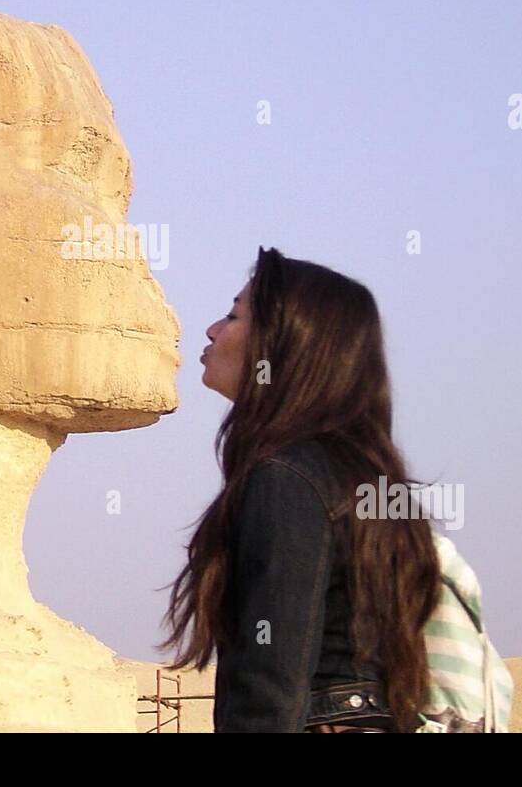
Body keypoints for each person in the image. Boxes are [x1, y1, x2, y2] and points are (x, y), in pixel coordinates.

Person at [156, 246, 442, 733]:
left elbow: (272, 680)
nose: (211, 330)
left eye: (233, 315)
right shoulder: (369, 482)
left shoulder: (287, 477)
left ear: (283, 344)